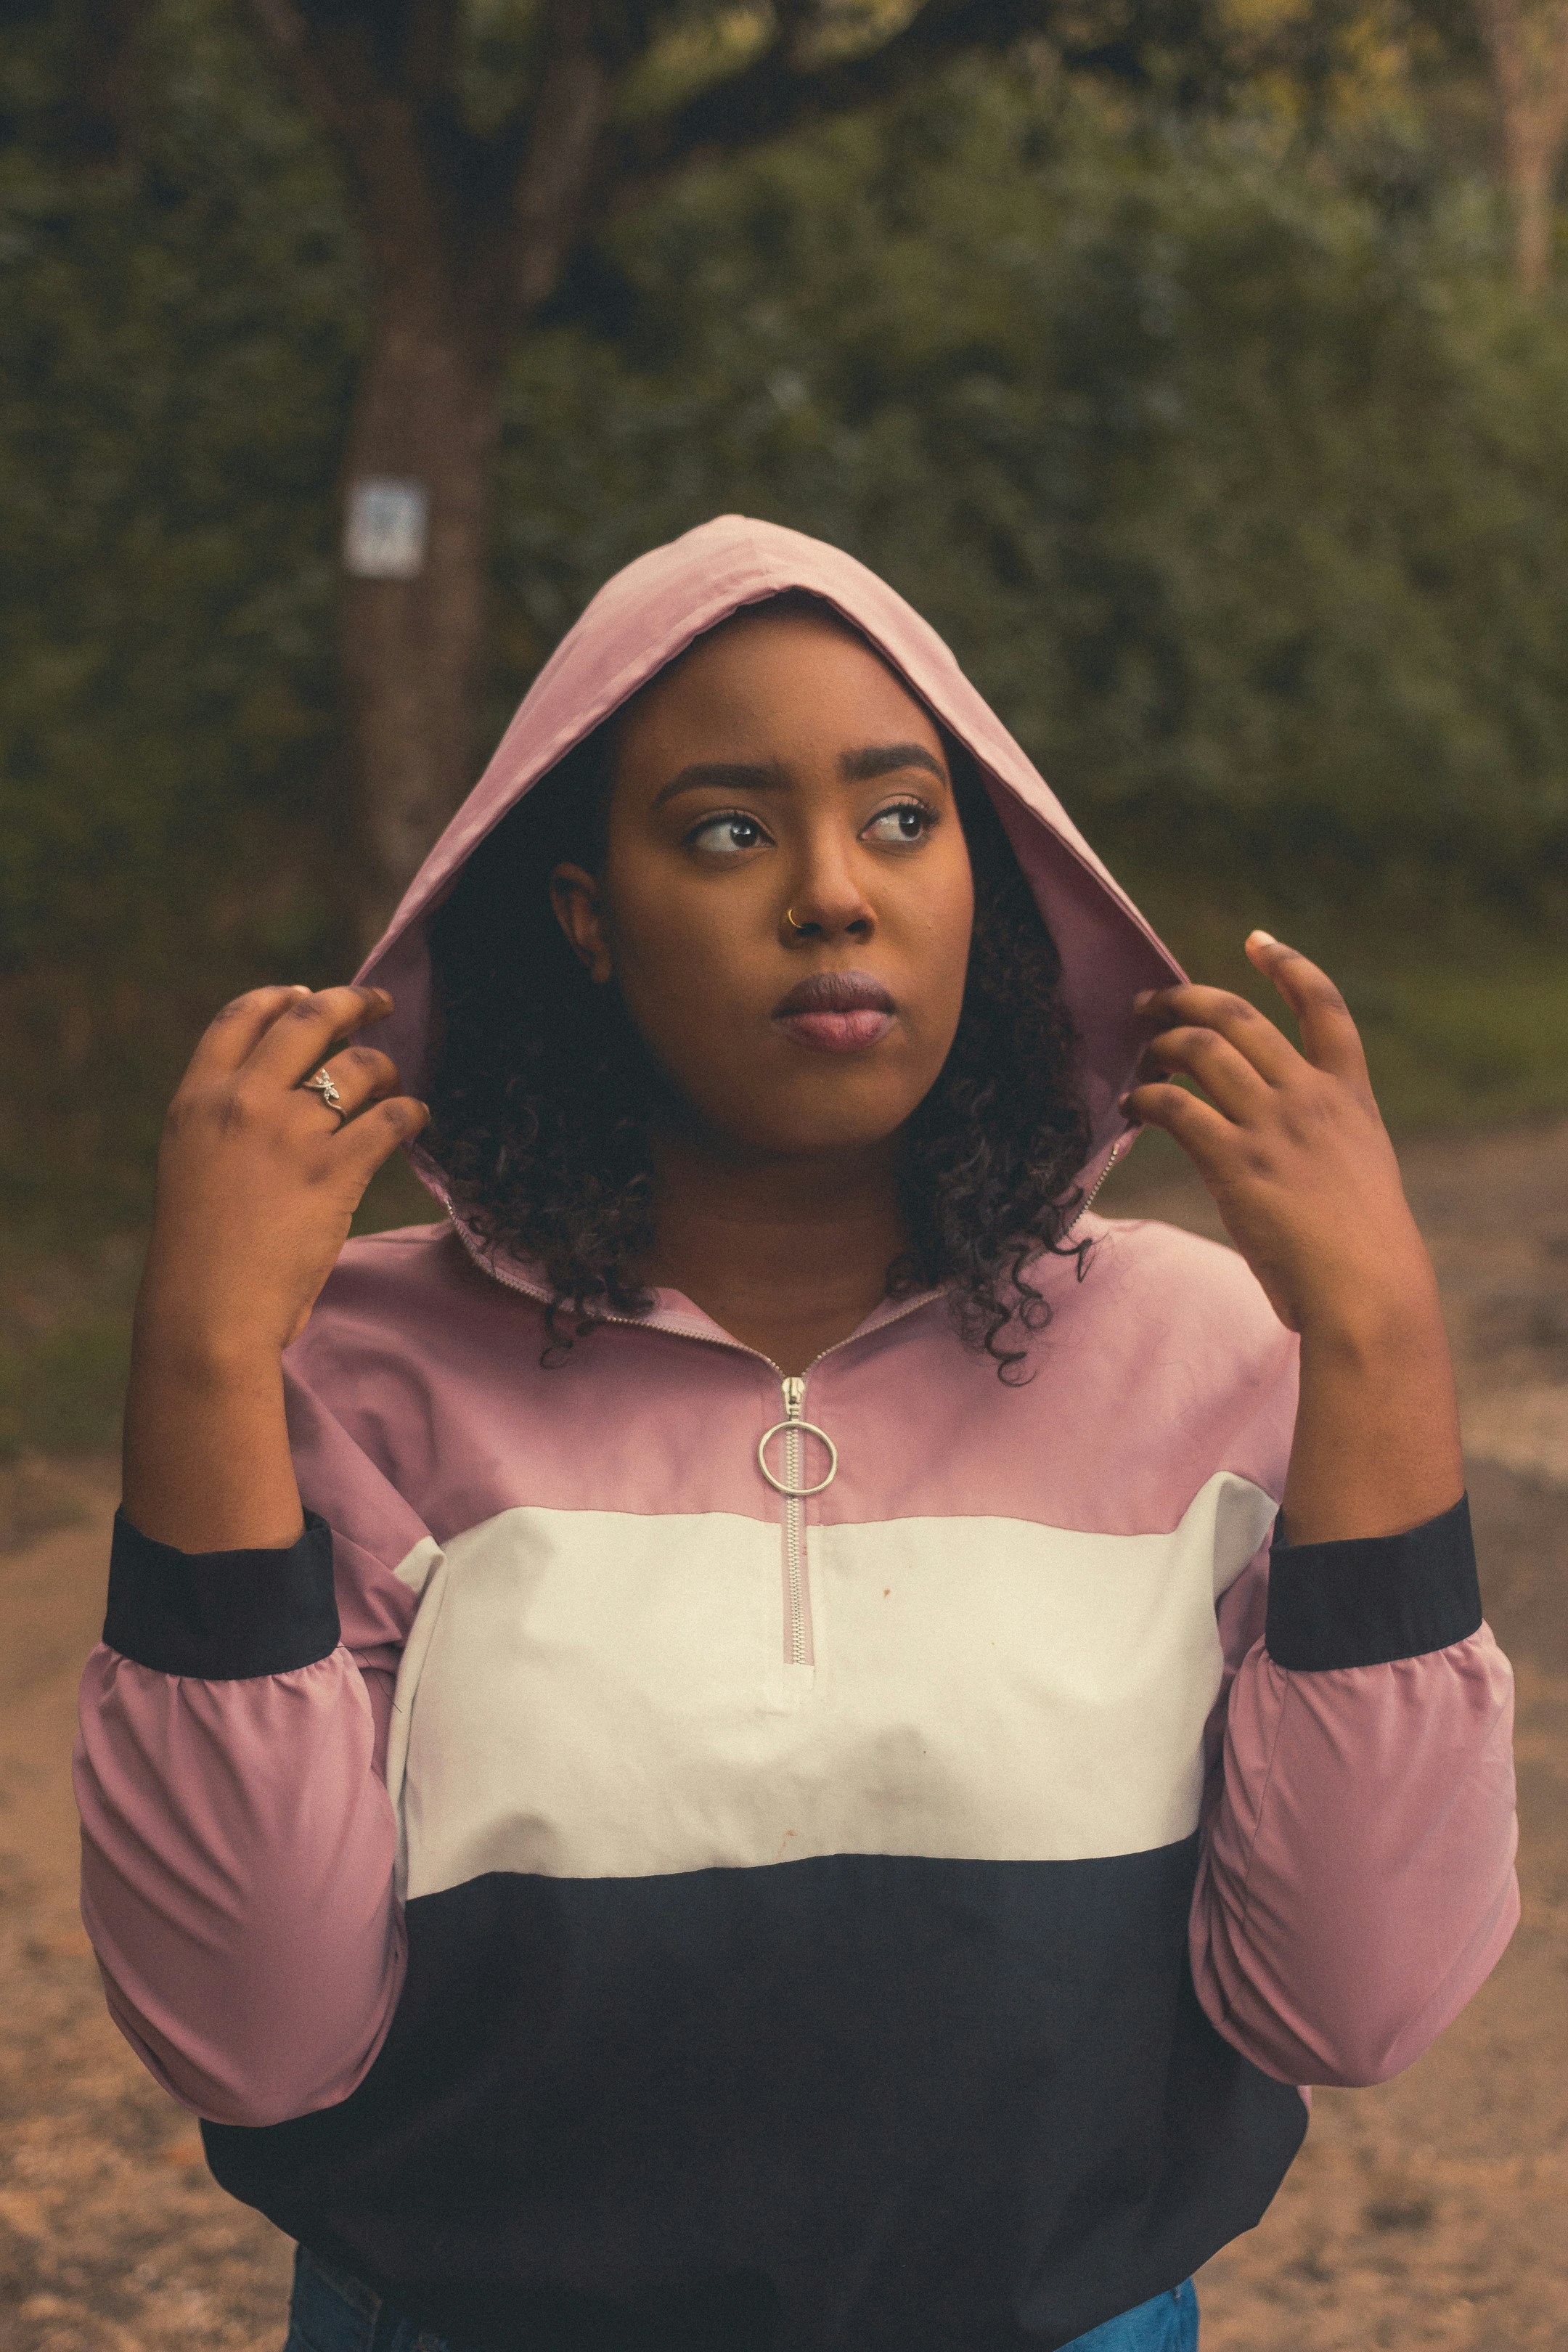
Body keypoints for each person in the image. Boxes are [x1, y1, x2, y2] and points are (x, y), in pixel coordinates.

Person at [75, 517, 1517, 2352]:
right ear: (587, 915)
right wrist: (201, 1359)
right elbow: (251, 2040)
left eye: (902, 819)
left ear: (983, 891)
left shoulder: (1205, 1358)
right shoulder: (351, 1378)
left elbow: (1357, 2006)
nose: (833, 891)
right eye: (731, 829)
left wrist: (1381, 1334)